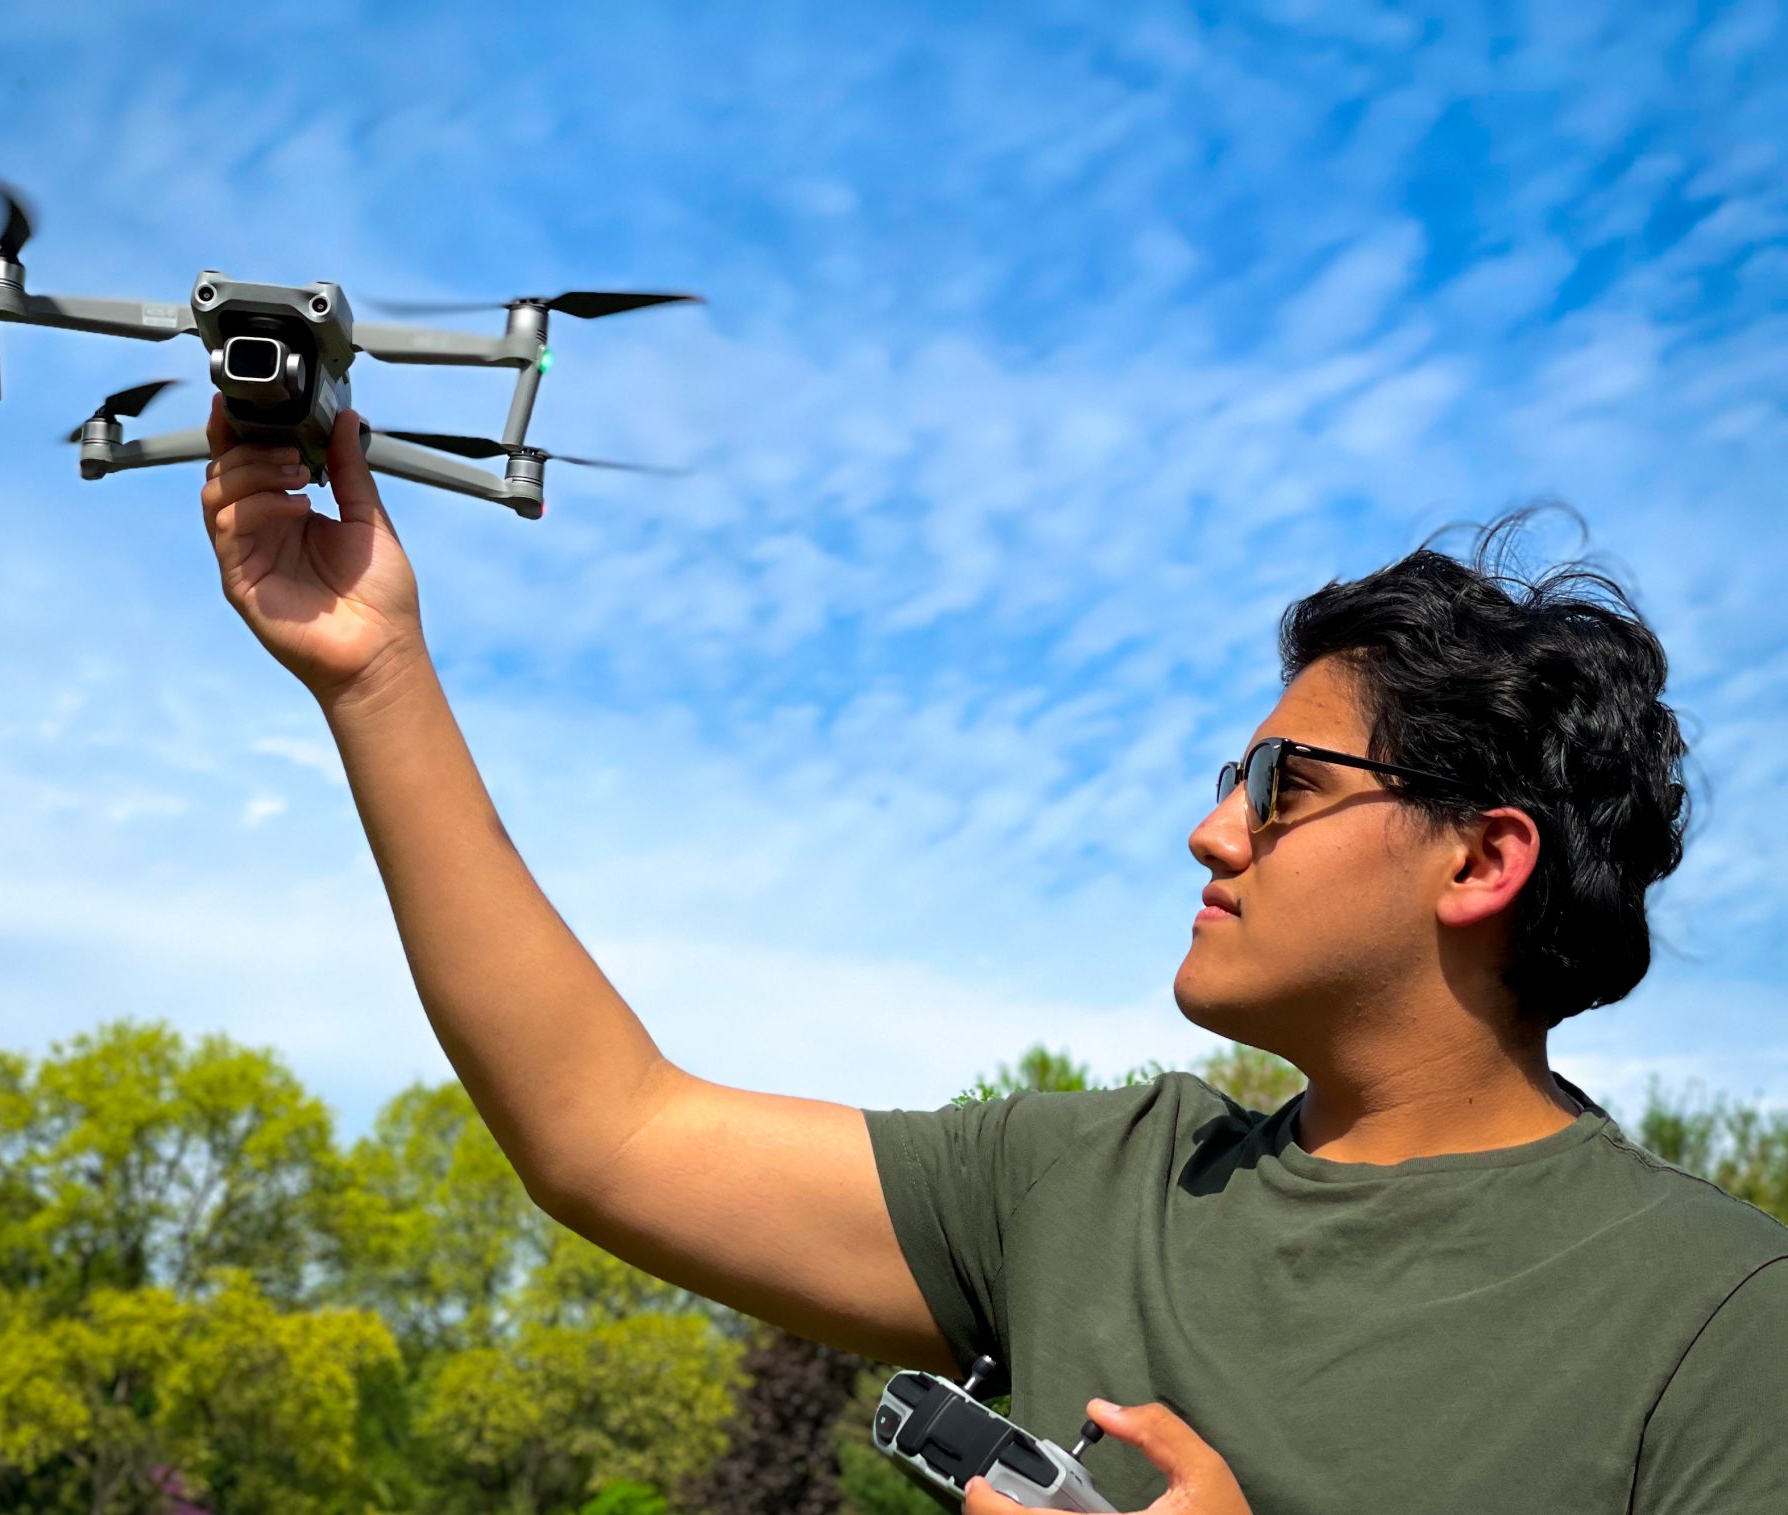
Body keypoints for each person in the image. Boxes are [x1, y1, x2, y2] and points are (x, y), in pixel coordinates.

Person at [199, 399, 1787, 1514]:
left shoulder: (1722, 1322)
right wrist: (375, 674)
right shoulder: (1083, 1187)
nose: (1212, 831)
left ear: (1483, 859)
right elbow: (606, 1132)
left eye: (1283, 784)